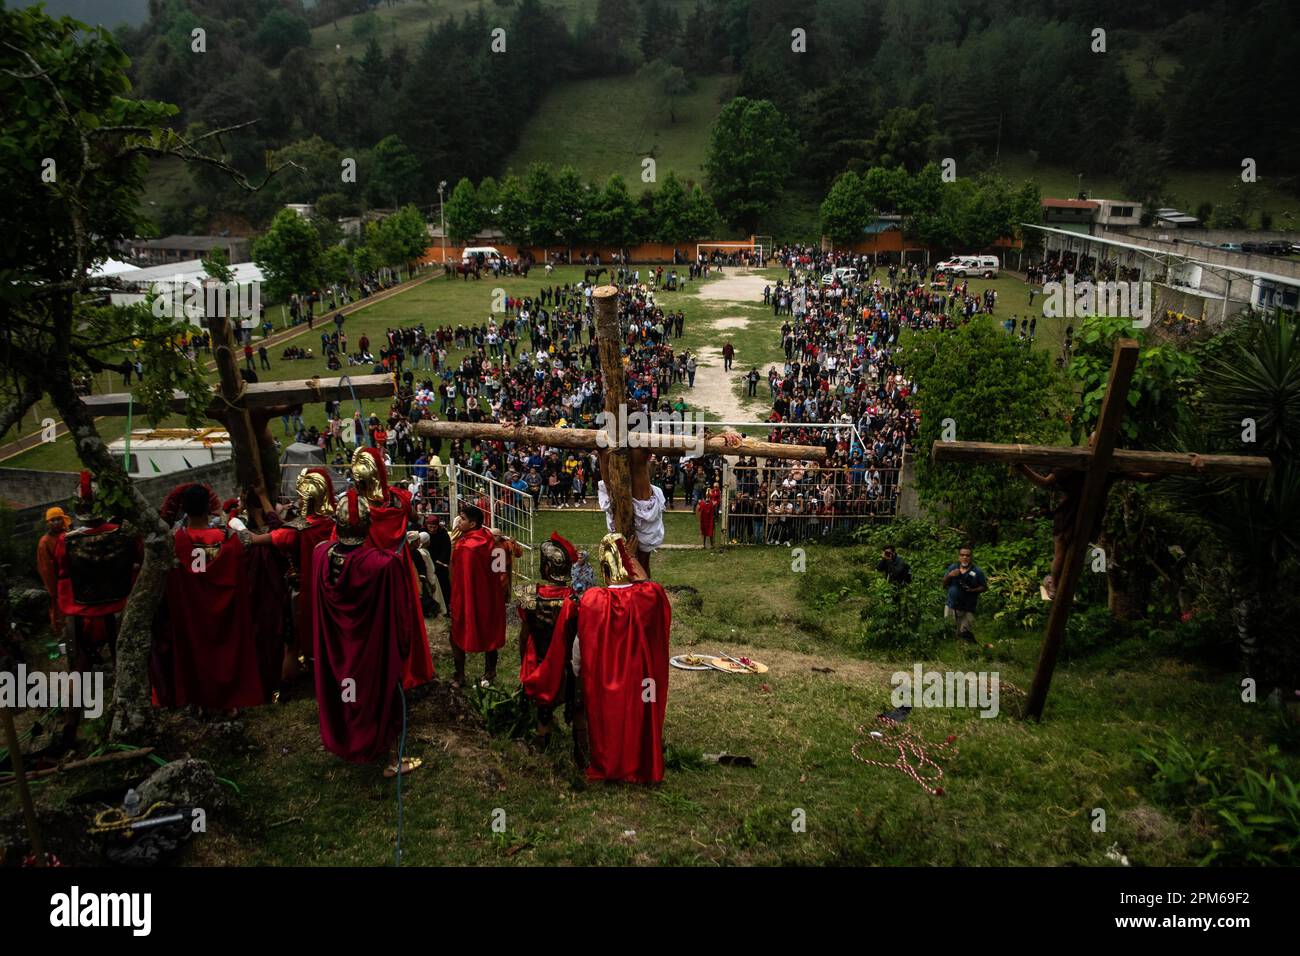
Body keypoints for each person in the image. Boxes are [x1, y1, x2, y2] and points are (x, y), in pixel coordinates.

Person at [312, 488, 422, 777]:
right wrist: (402, 644)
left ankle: (348, 741)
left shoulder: (320, 555)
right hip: (374, 644)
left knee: (346, 691)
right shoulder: (384, 564)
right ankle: (392, 760)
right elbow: (401, 614)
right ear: (367, 524)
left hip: (339, 644)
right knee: (385, 693)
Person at [152, 483, 267, 712]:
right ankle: (231, 701)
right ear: (208, 508)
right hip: (226, 616)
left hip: (191, 617)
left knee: (196, 654)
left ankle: (199, 701)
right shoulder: (229, 541)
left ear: (184, 510)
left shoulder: (175, 543)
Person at [574, 533, 672, 783]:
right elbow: (648, 583)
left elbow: (582, 642)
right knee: (640, 715)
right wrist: (630, 557)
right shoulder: (648, 596)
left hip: (606, 677)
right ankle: (640, 763)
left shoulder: (594, 599)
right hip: (641, 678)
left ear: (605, 568)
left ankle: (610, 763)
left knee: (610, 717)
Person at [349, 447, 435, 689]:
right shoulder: (400, 499)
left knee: (373, 621)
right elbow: (416, 519)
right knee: (403, 616)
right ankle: (407, 669)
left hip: (368, 568)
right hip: (399, 567)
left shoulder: (353, 504)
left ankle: (381, 674)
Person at [269, 468, 337, 693]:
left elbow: (271, 538)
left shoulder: (294, 531)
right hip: (333, 591)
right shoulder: (336, 523)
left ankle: (290, 689)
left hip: (303, 593)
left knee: (294, 642)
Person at [517, 532, 581, 752]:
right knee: (574, 702)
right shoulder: (575, 599)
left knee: (543, 705)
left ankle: (542, 738)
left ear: (546, 568)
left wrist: (522, 659)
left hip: (538, 659)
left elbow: (524, 634)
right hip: (566, 664)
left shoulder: (527, 593)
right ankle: (579, 746)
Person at [449, 503, 520, 688]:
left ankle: (460, 676)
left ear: (472, 524)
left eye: (462, 519)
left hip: (467, 597)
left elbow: (455, 571)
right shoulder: (492, 541)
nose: (458, 522)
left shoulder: (464, 546)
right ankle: (489, 672)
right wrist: (498, 593)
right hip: (489, 598)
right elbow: (501, 571)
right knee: (490, 635)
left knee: (457, 634)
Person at [942, 546, 988, 643]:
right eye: (962, 555)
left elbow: (984, 587)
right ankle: (949, 652)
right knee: (949, 632)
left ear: (971, 557)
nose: (964, 557)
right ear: (959, 557)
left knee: (965, 633)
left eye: (967, 555)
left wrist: (973, 590)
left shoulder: (977, 571)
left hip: (968, 607)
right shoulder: (953, 567)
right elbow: (943, 584)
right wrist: (950, 575)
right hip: (951, 605)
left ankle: (967, 653)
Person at [36, 507, 68, 637]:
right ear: (47, 523)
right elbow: (45, 568)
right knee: (60, 609)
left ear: (63, 520)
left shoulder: (69, 534)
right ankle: (63, 635)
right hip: (59, 581)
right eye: (52, 520)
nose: (55, 523)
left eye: (58, 519)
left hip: (74, 578)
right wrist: (53, 589)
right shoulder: (44, 542)